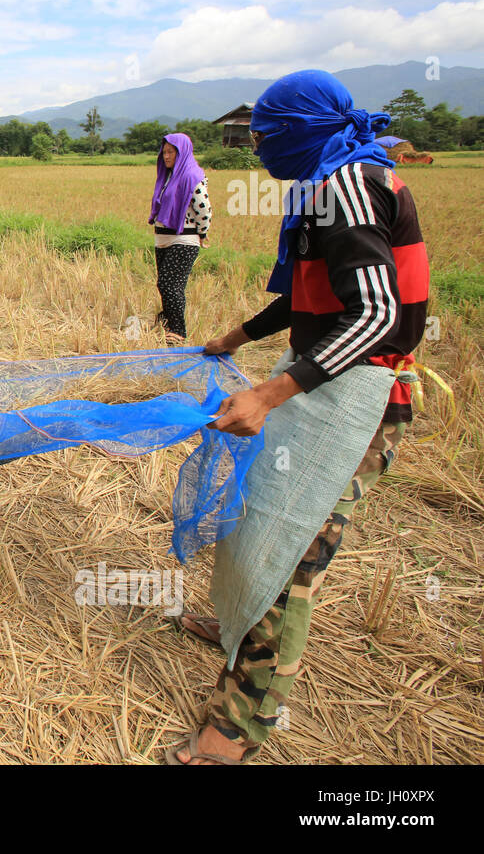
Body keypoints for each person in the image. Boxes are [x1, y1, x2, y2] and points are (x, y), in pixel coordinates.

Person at [166, 70, 428, 764]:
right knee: (256, 513)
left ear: (298, 133)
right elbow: (314, 298)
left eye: (264, 136)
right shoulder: (330, 181)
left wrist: (269, 393)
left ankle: (237, 728)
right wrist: (238, 338)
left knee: (290, 555)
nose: (257, 148)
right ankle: (233, 621)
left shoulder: (346, 188)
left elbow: (375, 315)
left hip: (358, 399)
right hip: (323, 383)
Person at [148, 133, 212, 343]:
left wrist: (203, 232)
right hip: (164, 240)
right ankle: (166, 320)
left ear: (182, 152)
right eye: (164, 152)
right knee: (165, 284)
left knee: (169, 284)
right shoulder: (166, 177)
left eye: (171, 152)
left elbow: (203, 209)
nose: (166, 156)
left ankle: (178, 330)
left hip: (184, 239)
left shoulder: (192, 176)